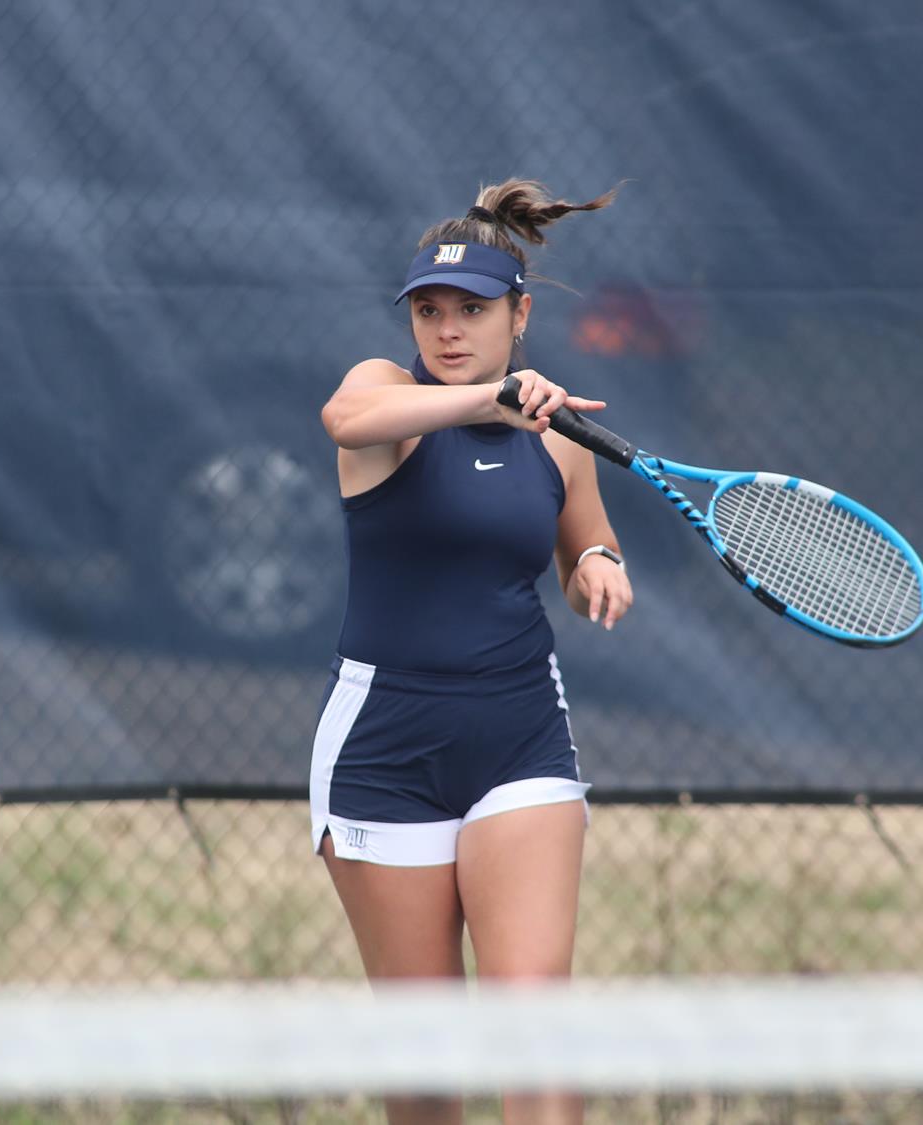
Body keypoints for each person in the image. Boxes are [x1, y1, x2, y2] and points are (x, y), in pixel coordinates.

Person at [314, 179, 631, 1125]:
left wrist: (602, 565)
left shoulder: (560, 439)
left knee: (534, 1028)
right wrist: (487, 402)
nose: (448, 329)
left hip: (520, 739)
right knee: (425, 1070)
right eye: (430, 310)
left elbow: (585, 547)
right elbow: (345, 420)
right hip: (384, 752)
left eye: (473, 310)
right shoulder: (388, 392)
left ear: (519, 313)